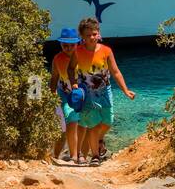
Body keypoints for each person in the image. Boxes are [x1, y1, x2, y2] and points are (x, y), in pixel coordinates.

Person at [73, 18, 135, 165]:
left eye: (94, 34)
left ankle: (98, 139)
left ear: (98, 33)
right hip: (87, 93)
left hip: (105, 91)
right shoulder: (77, 51)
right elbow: (71, 69)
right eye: (88, 35)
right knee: (93, 125)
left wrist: (125, 90)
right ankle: (95, 156)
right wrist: (74, 83)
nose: (92, 37)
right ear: (82, 36)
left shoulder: (106, 51)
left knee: (108, 121)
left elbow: (115, 72)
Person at [49, 28, 83, 164]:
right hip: (65, 95)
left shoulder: (83, 56)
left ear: (78, 44)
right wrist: (52, 97)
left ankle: (81, 153)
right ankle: (73, 156)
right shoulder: (57, 59)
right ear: (61, 45)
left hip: (82, 95)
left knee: (87, 124)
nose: (68, 48)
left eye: (72, 45)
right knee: (71, 122)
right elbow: (54, 79)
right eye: (65, 45)